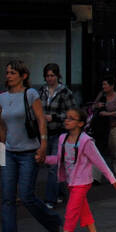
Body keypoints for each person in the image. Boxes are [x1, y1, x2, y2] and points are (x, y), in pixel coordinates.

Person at [0, 60, 63, 232]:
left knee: (26, 196)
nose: (8, 75)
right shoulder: (1, 98)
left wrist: (42, 145)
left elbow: (41, 119)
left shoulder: (30, 94)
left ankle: (53, 221)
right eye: (7, 72)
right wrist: (0, 149)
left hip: (28, 153)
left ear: (23, 76)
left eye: (13, 73)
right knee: (7, 198)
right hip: (9, 152)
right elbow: (2, 125)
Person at [44, 107, 116, 232]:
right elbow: (60, 159)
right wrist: (44, 159)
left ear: (80, 123)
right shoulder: (62, 139)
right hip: (71, 181)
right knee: (83, 210)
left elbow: (99, 161)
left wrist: (111, 178)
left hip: (83, 182)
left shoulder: (86, 141)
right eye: (66, 117)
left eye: (71, 118)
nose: (67, 120)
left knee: (71, 210)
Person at [40, 63, 74, 207]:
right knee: (52, 165)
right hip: (45, 133)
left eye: (52, 75)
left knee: (54, 166)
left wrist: (54, 117)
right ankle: (62, 192)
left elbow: (71, 112)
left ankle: (50, 199)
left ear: (57, 76)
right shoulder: (42, 91)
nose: (49, 78)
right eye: (47, 76)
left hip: (59, 133)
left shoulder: (65, 92)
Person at [91, 77, 116, 176]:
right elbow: (92, 107)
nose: (104, 87)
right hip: (101, 128)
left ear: (112, 86)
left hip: (114, 127)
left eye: (106, 84)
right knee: (98, 151)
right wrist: (96, 106)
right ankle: (96, 176)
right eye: (103, 85)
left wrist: (108, 114)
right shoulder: (101, 95)